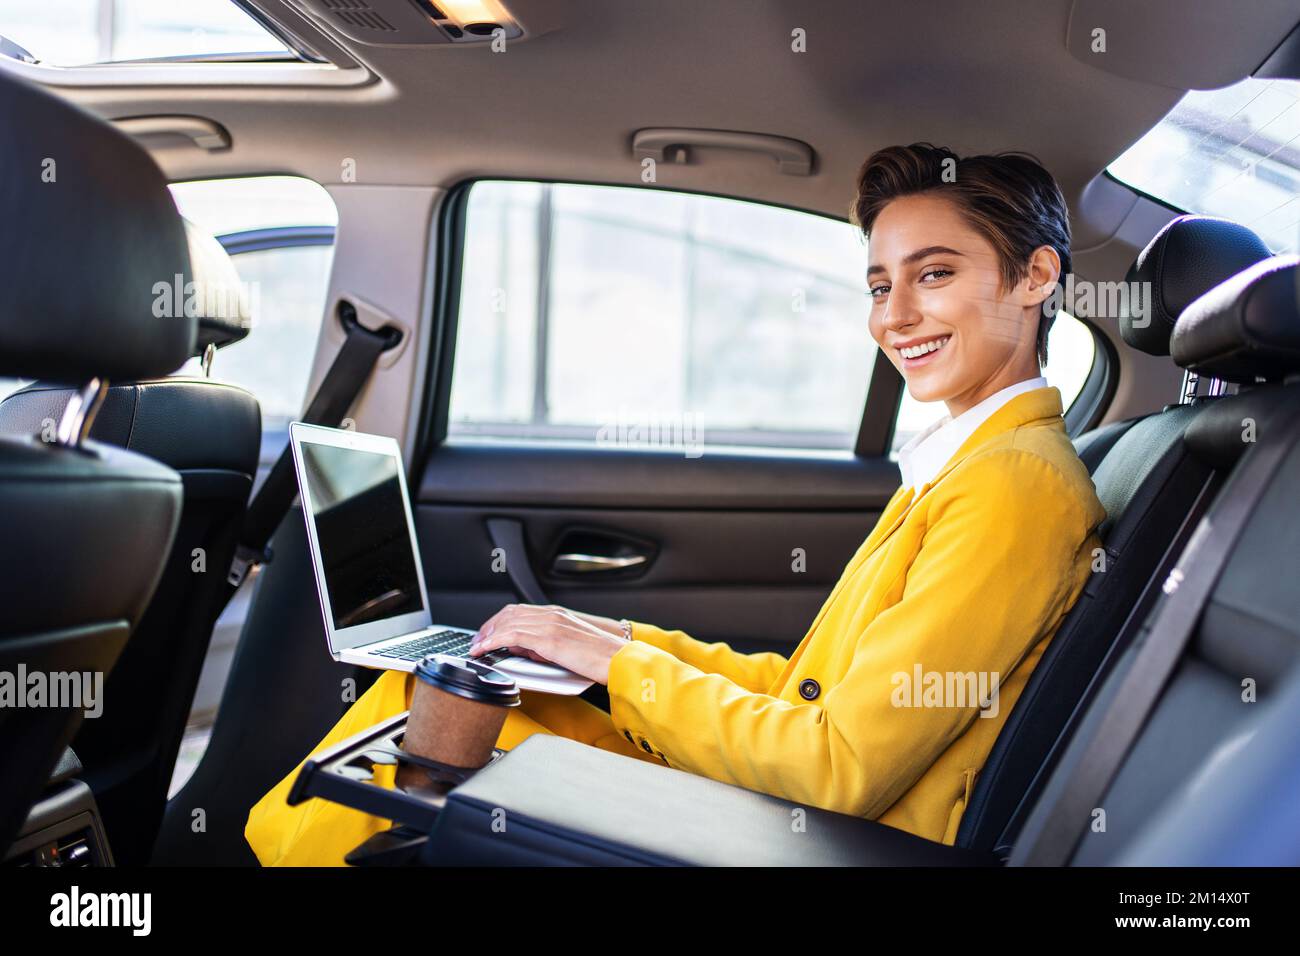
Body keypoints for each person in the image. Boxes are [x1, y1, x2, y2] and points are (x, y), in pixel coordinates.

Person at [245, 143, 1106, 866]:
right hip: (799, 820)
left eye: (937, 274)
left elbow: (839, 767)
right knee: (450, 703)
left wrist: (620, 672)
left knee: (419, 735)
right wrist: (615, 643)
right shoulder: (966, 465)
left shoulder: (1013, 484)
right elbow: (811, 690)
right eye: (881, 286)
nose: (897, 316)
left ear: (1035, 277)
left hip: (828, 842)